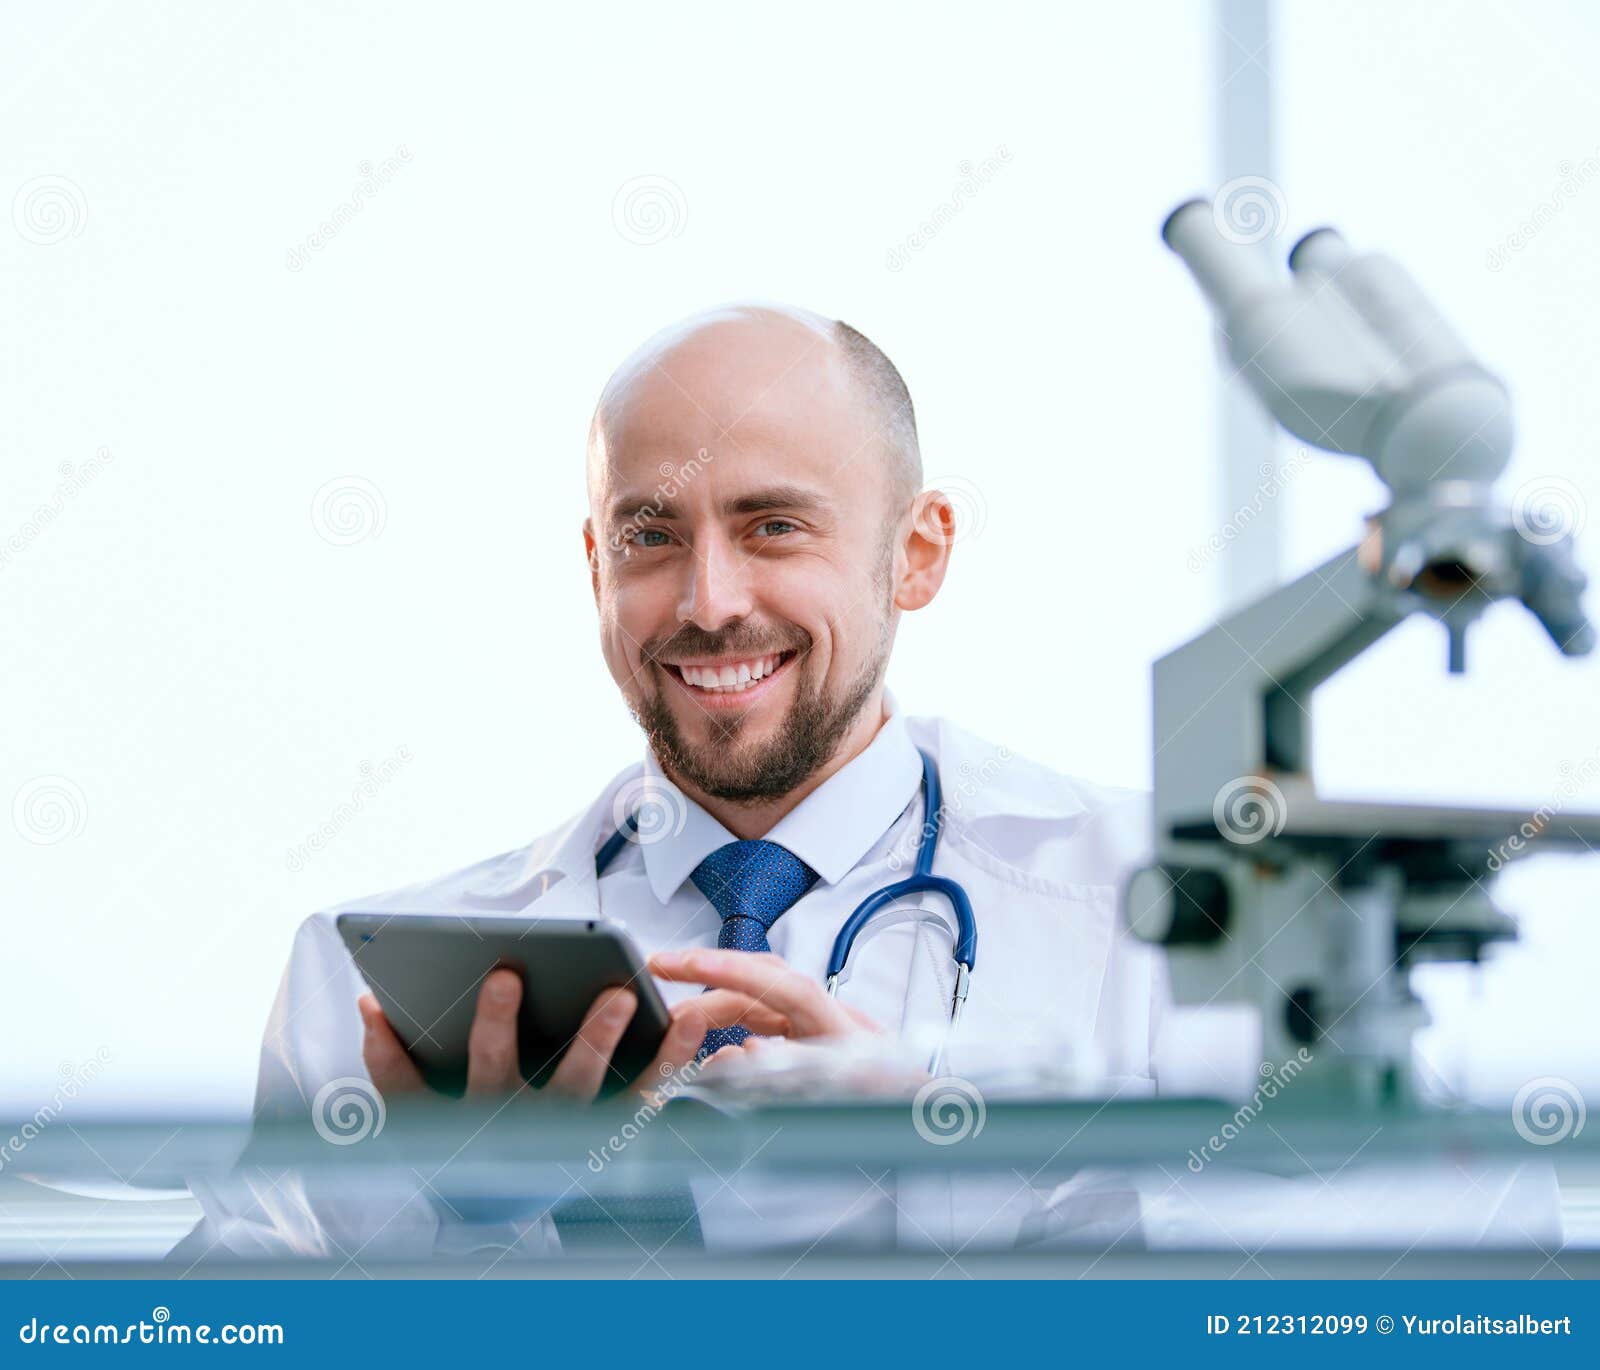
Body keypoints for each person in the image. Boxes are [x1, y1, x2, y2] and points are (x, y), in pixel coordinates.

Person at [175, 304, 1552, 1262]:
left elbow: (1482, 1257)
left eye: (774, 526)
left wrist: (964, 1137)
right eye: (651, 536)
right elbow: (213, 1328)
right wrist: (442, 1219)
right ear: (593, 563)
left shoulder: (1167, 909)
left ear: (919, 551)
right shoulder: (373, 984)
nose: (710, 602)